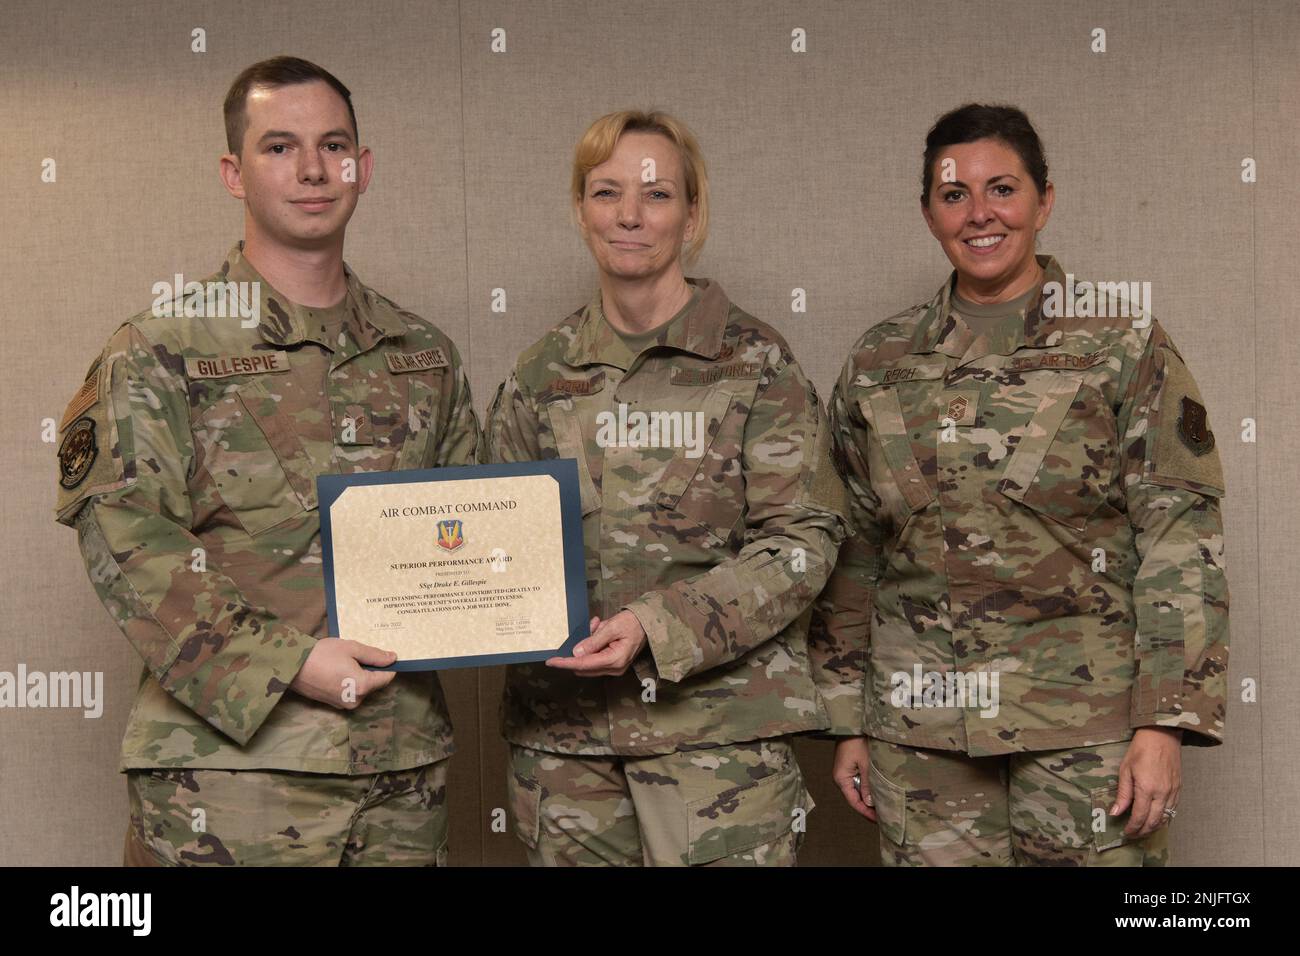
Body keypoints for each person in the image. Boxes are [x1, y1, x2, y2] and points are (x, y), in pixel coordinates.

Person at [53, 56, 479, 866]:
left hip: (401, 773)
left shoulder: (425, 356)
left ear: (364, 167)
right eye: (279, 147)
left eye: (334, 146)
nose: (313, 169)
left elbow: (472, 533)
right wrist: (288, 665)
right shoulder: (159, 348)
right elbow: (126, 541)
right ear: (233, 173)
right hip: (228, 781)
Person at [810, 103, 1229, 866]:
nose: (980, 214)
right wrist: (847, 719)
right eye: (954, 194)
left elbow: (1180, 536)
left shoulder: (1120, 342)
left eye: (1002, 189)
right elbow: (851, 552)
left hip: (1086, 731)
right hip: (921, 732)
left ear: (1045, 198)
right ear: (928, 210)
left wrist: (1164, 722)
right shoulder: (880, 360)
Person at [484, 109, 849, 866]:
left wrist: (659, 623)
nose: (628, 214)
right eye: (605, 191)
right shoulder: (539, 372)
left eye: (655, 194)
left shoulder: (756, 363)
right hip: (566, 748)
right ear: (580, 209)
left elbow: (805, 542)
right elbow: (495, 538)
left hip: (719, 748)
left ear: (692, 213)